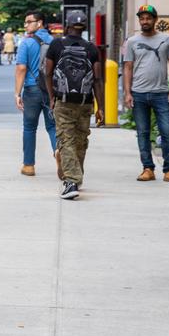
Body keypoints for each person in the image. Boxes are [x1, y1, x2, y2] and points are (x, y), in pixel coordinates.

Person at [44, 10, 104, 200]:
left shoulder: (56, 45)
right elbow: (97, 79)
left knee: (66, 140)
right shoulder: (92, 48)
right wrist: (100, 106)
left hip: (63, 100)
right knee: (80, 141)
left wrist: (52, 97)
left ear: (67, 25)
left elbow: (47, 73)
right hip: (85, 103)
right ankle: (75, 177)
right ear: (84, 27)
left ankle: (70, 182)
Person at [121, 4, 169, 184]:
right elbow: (128, 67)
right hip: (138, 94)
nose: (145, 21)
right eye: (142, 18)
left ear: (155, 20)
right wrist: (127, 92)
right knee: (142, 132)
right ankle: (147, 168)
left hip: (161, 94)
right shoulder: (132, 41)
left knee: (167, 131)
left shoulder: (167, 39)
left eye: (148, 18)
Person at [14, 11, 60, 177]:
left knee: (29, 127)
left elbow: (21, 68)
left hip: (32, 89)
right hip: (50, 90)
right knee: (53, 126)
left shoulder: (26, 43)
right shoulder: (55, 42)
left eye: (29, 22)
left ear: (39, 23)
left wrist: (17, 93)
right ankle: (57, 152)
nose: (25, 25)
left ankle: (28, 166)